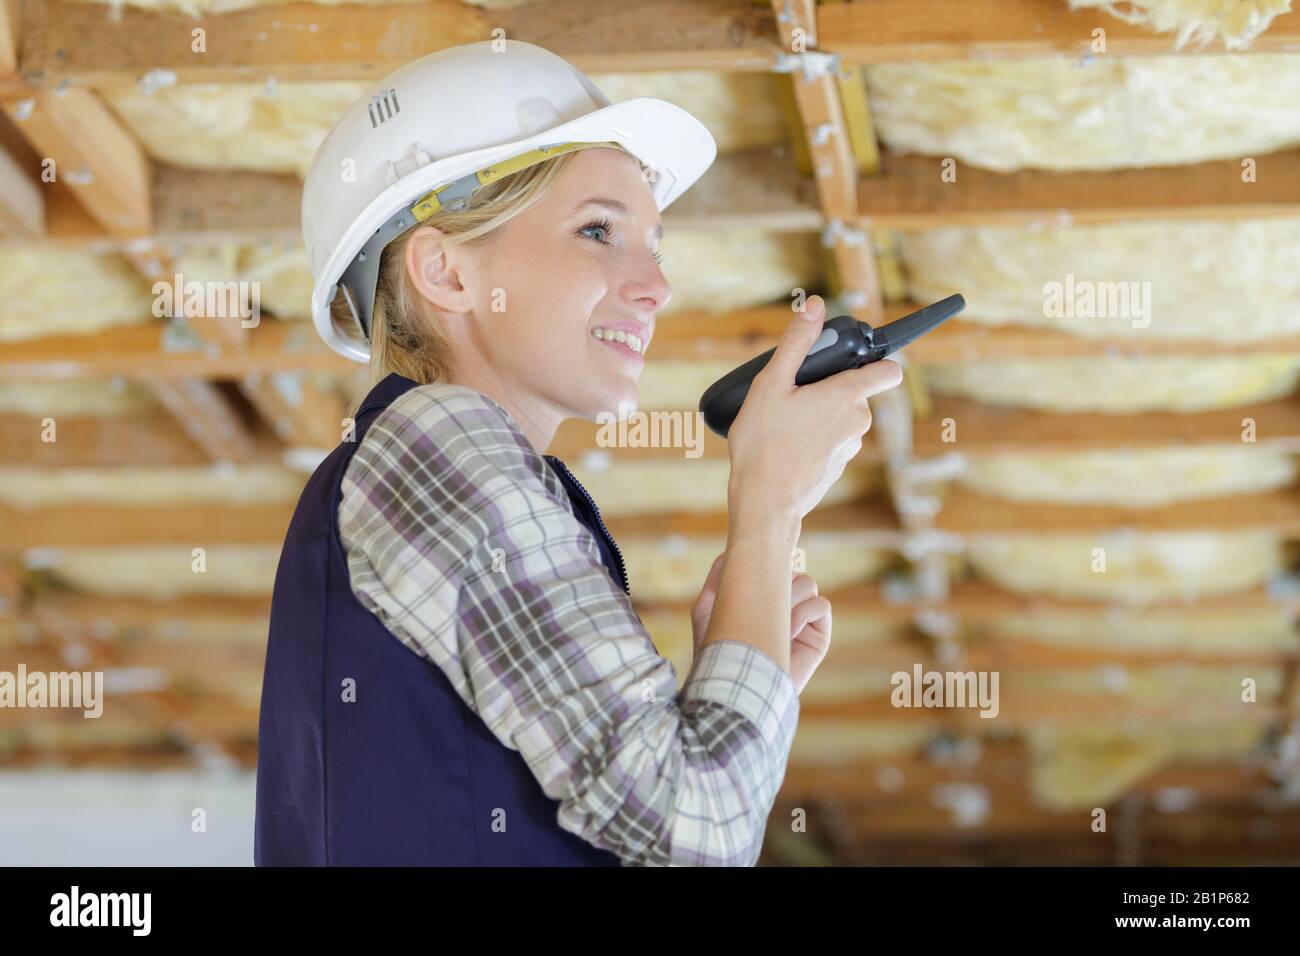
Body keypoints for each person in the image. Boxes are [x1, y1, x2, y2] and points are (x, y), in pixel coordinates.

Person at [254, 39, 903, 866]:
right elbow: (696, 831)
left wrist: (737, 664)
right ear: (446, 272)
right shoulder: (438, 446)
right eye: (599, 230)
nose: (656, 287)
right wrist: (769, 506)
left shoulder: (434, 468)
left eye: (654, 246)